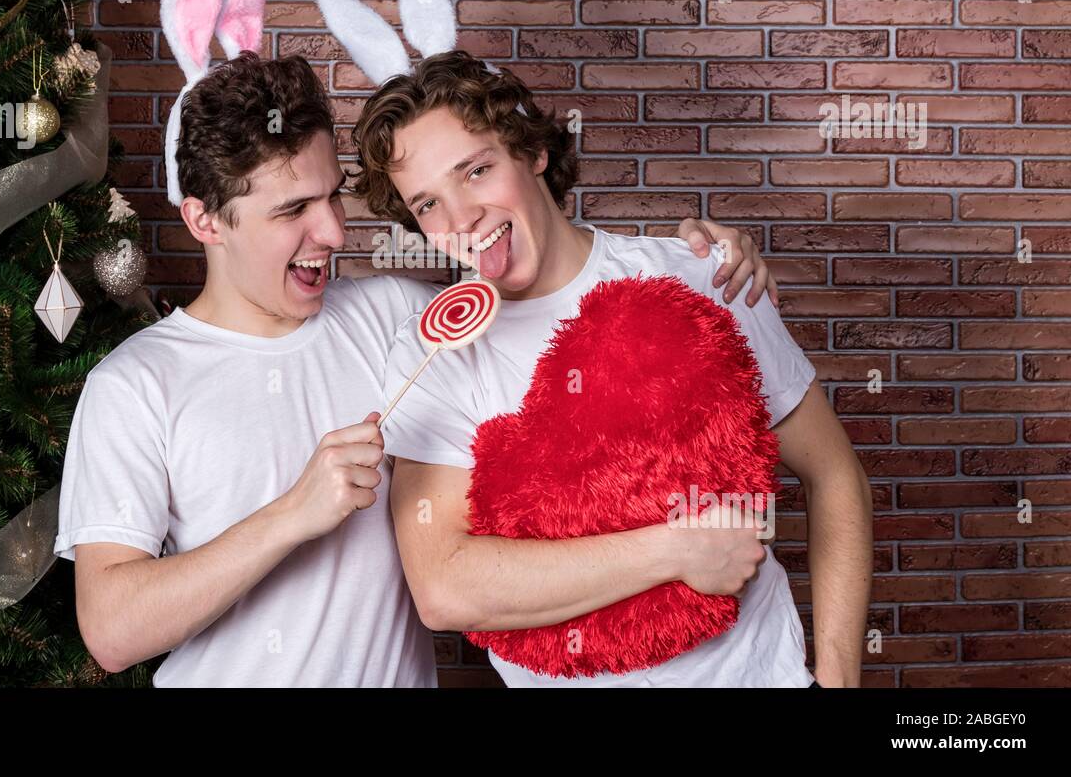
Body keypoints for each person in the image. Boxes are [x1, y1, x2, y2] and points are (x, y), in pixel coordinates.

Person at [52, 50, 775, 686]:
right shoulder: (135, 385)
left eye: (333, 194)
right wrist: (289, 518)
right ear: (205, 222)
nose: (333, 232)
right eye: (293, 210)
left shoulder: (398, 317)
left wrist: (704, 253)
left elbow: (545, 280)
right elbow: (113, 631)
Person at [353, 49, 874, 688]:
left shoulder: (698, 275)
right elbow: (446, 587)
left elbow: (834, 476)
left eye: (478, 170)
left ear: (533, 154)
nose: (462, 219)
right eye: (428, 203)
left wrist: (840, 677)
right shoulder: (433, 354)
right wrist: (674, 552)